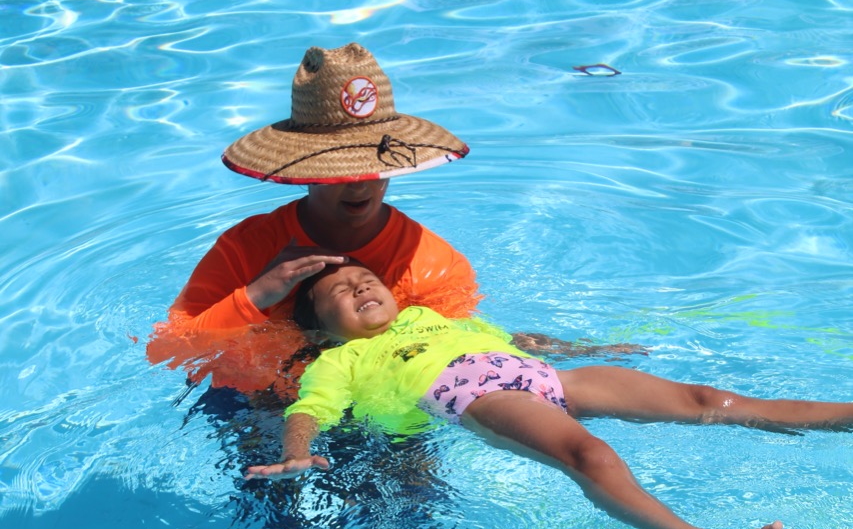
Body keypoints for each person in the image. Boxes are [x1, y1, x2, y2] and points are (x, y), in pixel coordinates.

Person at [247, 263, 853, 529]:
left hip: (544, 377)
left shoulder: (428, 317)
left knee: (704, 399)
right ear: (320, 329)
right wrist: (297, 451)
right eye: (340, 293)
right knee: (588, 454)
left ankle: (841, 416)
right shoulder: (342, 359)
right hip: (480, 398)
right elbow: (311, 408)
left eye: (366, 279)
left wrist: (587, 349)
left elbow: (514, 340)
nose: (359, 288)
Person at [147, 42, 638, 396]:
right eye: (340, 169)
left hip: (383, 402)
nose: (360, 183)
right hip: (256, 406)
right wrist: (257, 294)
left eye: (374, 165)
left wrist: (560, 350)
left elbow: (460, 352)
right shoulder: (244, 250)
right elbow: (165, 352)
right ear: (305, 172)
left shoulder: (433, 265)